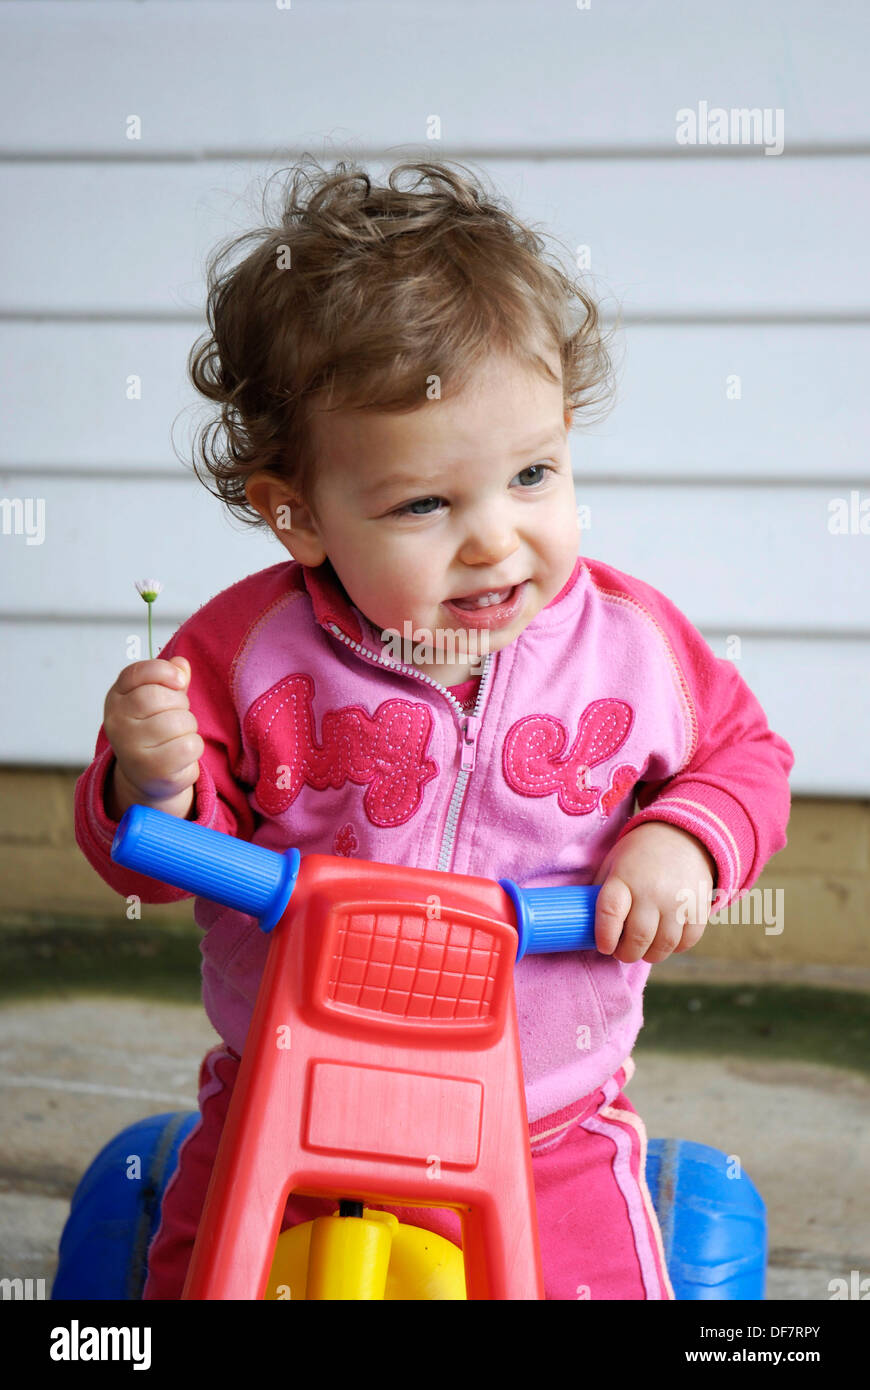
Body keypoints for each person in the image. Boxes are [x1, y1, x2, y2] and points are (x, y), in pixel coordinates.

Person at [74, 157, 794, 1300]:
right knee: (194, 1275)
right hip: (287, 1093)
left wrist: (688, 840)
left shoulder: (631, 645)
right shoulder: (243, 652)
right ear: (297, 512)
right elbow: (147, 858)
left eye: (533, 474)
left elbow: (746, 757)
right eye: (426, 503)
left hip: (544, 1115)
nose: (497, 540)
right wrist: (152, 785)